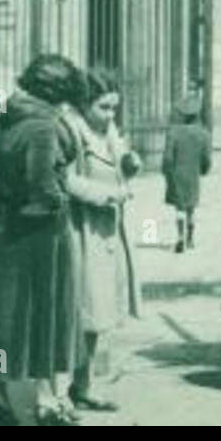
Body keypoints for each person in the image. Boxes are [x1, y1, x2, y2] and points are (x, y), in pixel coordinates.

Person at [0, 54, 87, 426]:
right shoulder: (43, 127)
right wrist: (61, 201)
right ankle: (47, 403)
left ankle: (2, 403)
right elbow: (42, 185)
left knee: (0, 320)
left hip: (0, 229)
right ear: (56, 94)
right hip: (40, 236)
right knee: (44, 319)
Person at [62, 70, 142, 411]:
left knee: (98, 313)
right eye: (104, 107)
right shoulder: (70, 130)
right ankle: (61, 388)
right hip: (80, 229)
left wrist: (130, 164)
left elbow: (120, 163)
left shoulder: (108, 130)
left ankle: (85, 384)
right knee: (79, 311)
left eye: (114, 108)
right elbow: (65, 180)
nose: (111, 115)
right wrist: (108, 195)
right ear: (84, 103)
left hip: (107, 231)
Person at [162, 93, 212, 253]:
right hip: (193, 175)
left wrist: (166, 173)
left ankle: (180, 238)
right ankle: (190, 238)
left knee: (179, 208)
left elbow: (168, 157)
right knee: (191, 208)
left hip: (177, 174)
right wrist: (203, 170)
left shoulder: (173, 132)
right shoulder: (203, 134)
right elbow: (206, 159)